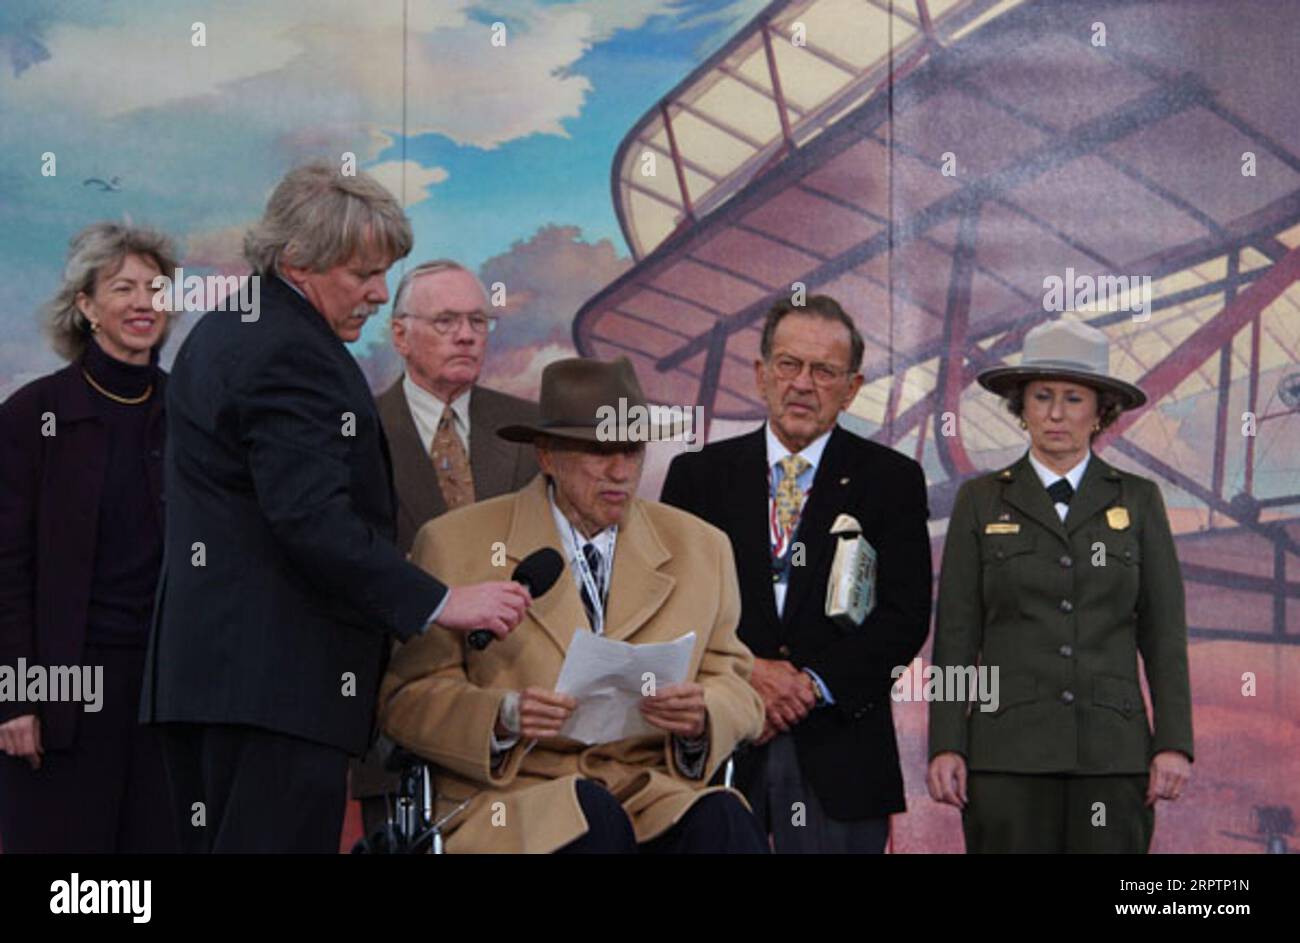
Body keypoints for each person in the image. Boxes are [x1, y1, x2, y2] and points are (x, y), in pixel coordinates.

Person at [140, 162, 530, 853]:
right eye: (363, 273)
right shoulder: (292, 350)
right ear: (297, 261)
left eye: (385, 272)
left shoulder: (229, 329)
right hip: (275, 693)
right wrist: (442, 600)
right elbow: (311, 518)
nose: (380, 293)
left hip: (215, 684)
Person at [379, 357, 767, 853]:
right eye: (600, 451)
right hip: (515, 798)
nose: (620, 471)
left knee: (724, 818)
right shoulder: (456, 542)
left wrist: (703, 716)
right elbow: (405, 700)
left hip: (649, 794)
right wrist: (501, 716)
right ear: (546, 455)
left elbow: (734, 680)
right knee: (590, 821)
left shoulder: (702, 547)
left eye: (631, 450)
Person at [660, 295, 933, 853]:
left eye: (824, 371)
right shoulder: (697, 477)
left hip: (841, 750)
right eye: (788, 364)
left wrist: (808, 686)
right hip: (720, 749)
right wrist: (748, 674)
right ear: (761, 375)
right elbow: (671, 609)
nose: (803, 384)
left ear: (852, 388)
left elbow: (903, 617)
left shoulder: (892, 480)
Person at [927, 317, 1194, 853]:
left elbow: (1163, 635)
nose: (1055, 413)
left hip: (1113, 758)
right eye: (1041, 396)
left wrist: (1173, 743)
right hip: (1006, 757)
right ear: (1020, 407)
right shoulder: (980, 500)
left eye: (1073, 398)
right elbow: (957, 635)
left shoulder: (1139, 500)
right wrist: (947, 743)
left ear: (1101, 412)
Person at [0, 222, 181, 852]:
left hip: (168, 693)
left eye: (156, 288)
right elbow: (7, 567)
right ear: (85, 306)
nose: (143, 303)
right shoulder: (32, 415)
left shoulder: (191, 413)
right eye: (122, 288)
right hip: (63, 695)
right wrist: (16, 698)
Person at [352, 259, 540, 835]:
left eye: (478, 321)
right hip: (398, 706)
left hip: (520, 715)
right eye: (446, 321)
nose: (465, 334)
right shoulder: (354, 429)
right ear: (400, 334)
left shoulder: (529, 430)